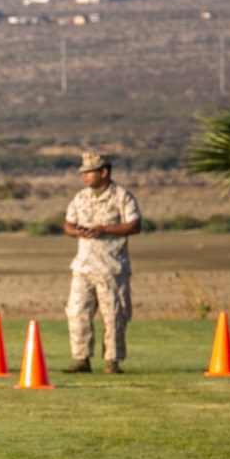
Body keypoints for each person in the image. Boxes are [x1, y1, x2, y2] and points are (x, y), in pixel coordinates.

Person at [62, 152, 141, 374]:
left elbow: (134, 225)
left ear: (104, 172)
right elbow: (68, 224)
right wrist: (77, 231)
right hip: (83, 266)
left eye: (89, 172)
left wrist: (104, 230)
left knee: (114, 315)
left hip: (111, 268)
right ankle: (81, 359)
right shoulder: (81, 197)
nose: (85, 177)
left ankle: (112, 361)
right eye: (83, 173)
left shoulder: (122, 197)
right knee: (77, 313)